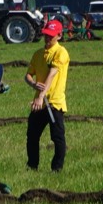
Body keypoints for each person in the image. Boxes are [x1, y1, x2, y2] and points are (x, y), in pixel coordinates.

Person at [25, 18, 71, 173]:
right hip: (39, 103)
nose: (47, 38)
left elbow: (51, 74)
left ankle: (56, 169)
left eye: (51, 36)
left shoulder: (61, 52)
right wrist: (33, 84)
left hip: (54, 102)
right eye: (46, 35)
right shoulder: (38, 54)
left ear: (59, 35)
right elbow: (28, 75)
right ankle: (32, 166)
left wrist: (40, 96)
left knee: (57, 137)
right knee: (32, 135)